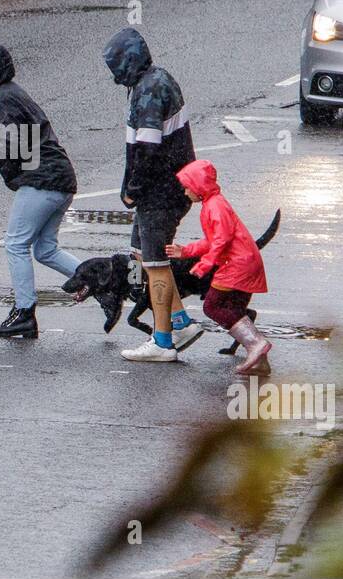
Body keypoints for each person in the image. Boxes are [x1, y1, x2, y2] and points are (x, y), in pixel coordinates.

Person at [0, 43, 80, 339]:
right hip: (58, 179)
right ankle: (104, 282)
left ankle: (24, 313)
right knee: (46, 249)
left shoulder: (6, 98)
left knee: (15, 244)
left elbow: (12, 145)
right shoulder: (7, 93)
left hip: (43, 180)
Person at [102, 27, 204, 362]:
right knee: (142, 257)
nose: (113, 72)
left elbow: (146, 149)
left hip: (159, 193)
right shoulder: (158, 79)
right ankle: (180, 323)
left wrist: (132, 191)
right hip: (171, 189)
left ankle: (162, 343)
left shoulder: (147, 92)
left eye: (115, 64)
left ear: (126, 62)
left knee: (156, 264)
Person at [167, 160, 272, 375]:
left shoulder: (214, 206)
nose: (186, 193)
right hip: (246, 262)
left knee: (213, 306)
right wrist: (186, 251)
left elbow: (220, 240)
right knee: (234, 309)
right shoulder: (214, 203)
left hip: (236, 265)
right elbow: (215, 239)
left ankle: (255, 344)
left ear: (198, 186)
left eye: (188, 187)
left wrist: (204, 265)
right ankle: (259, 361)